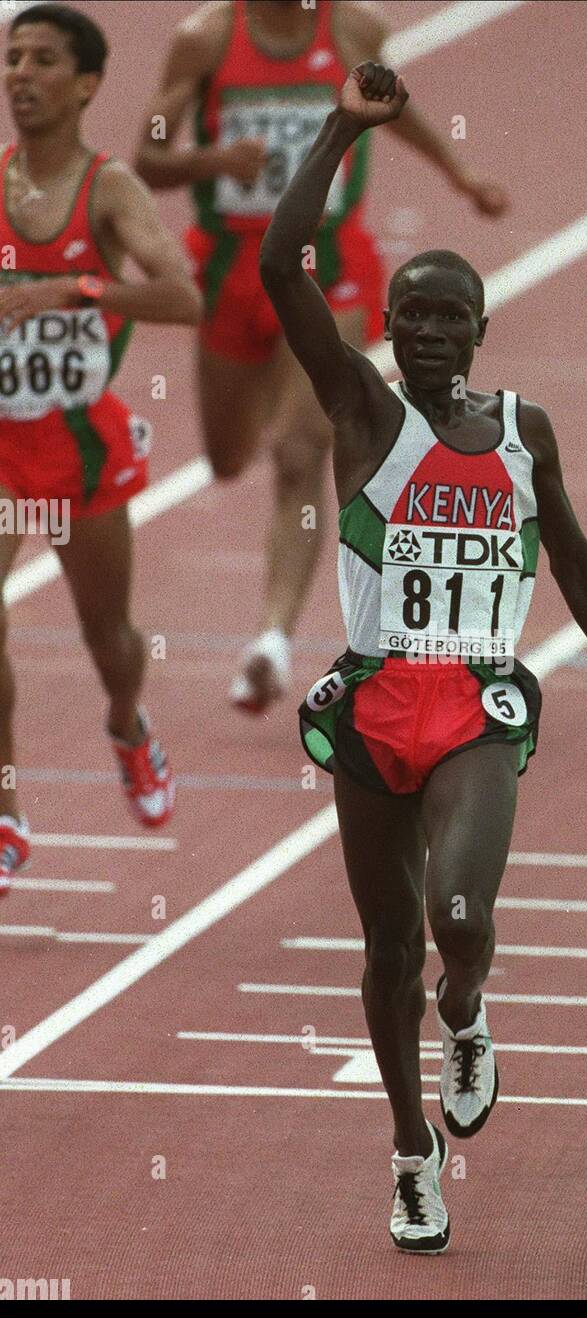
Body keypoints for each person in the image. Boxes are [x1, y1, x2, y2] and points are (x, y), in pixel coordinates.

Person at [261, 61, 587, 1253]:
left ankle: (472, 1010)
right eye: (412, 312)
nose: (431, 331)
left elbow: (577, 562)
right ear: (385, 326)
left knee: (455, 917)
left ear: (481, 330)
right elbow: (273, 266)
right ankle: (408, 1152)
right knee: (385, 942)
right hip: (374, 691)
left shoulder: (522, 433)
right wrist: (342, 128)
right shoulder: (359, 411)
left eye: (453, 316)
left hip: (477, 697)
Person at [133, 0, 509, 715]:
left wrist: (460, 173)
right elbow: (147, 157)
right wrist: (212, 160)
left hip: (326, 265)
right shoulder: (205, 39)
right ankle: (271, 424)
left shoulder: (354, 31)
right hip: (228, 269)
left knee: (302, 454)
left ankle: (271, 639)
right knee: (226, 457)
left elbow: (394, 106)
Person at [0, 3, 202, 893]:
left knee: (107, 638)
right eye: (12, 58)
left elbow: (181, 298)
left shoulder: (108, 189)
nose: (21, 74)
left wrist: (69, 291)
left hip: (80, 450)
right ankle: (6, 803)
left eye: (43, 59)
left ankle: (127, 726)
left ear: (85, 84)